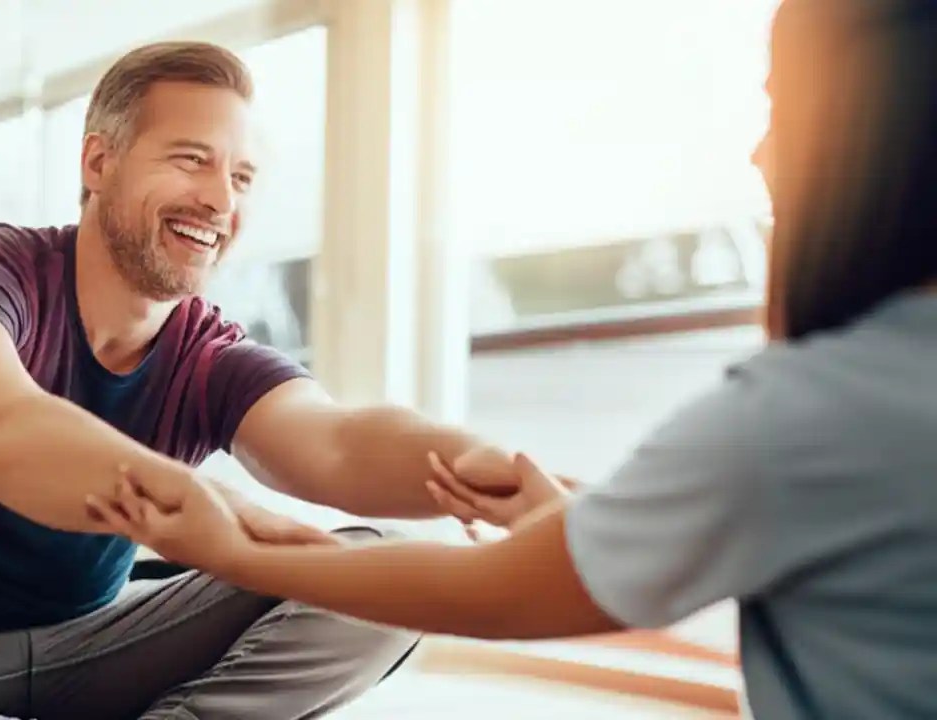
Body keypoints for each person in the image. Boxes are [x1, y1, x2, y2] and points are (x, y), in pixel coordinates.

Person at [87, 1, 937, 718]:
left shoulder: (809, 412)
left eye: (779, 109)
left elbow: (472, 574)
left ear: (866, 128)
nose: (758, 154)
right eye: (193, 160)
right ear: (97, 162)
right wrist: (567, 517)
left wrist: (229, 546)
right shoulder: (857, 401)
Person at [0, 42, 516, 720]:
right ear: (98, 161)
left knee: (381, 577)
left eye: (242, 177)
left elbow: (334, 443)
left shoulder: (209, 353)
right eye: (192, 160)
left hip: (96, 648)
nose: (220, 199)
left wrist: (501, 475)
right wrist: (220, 513)